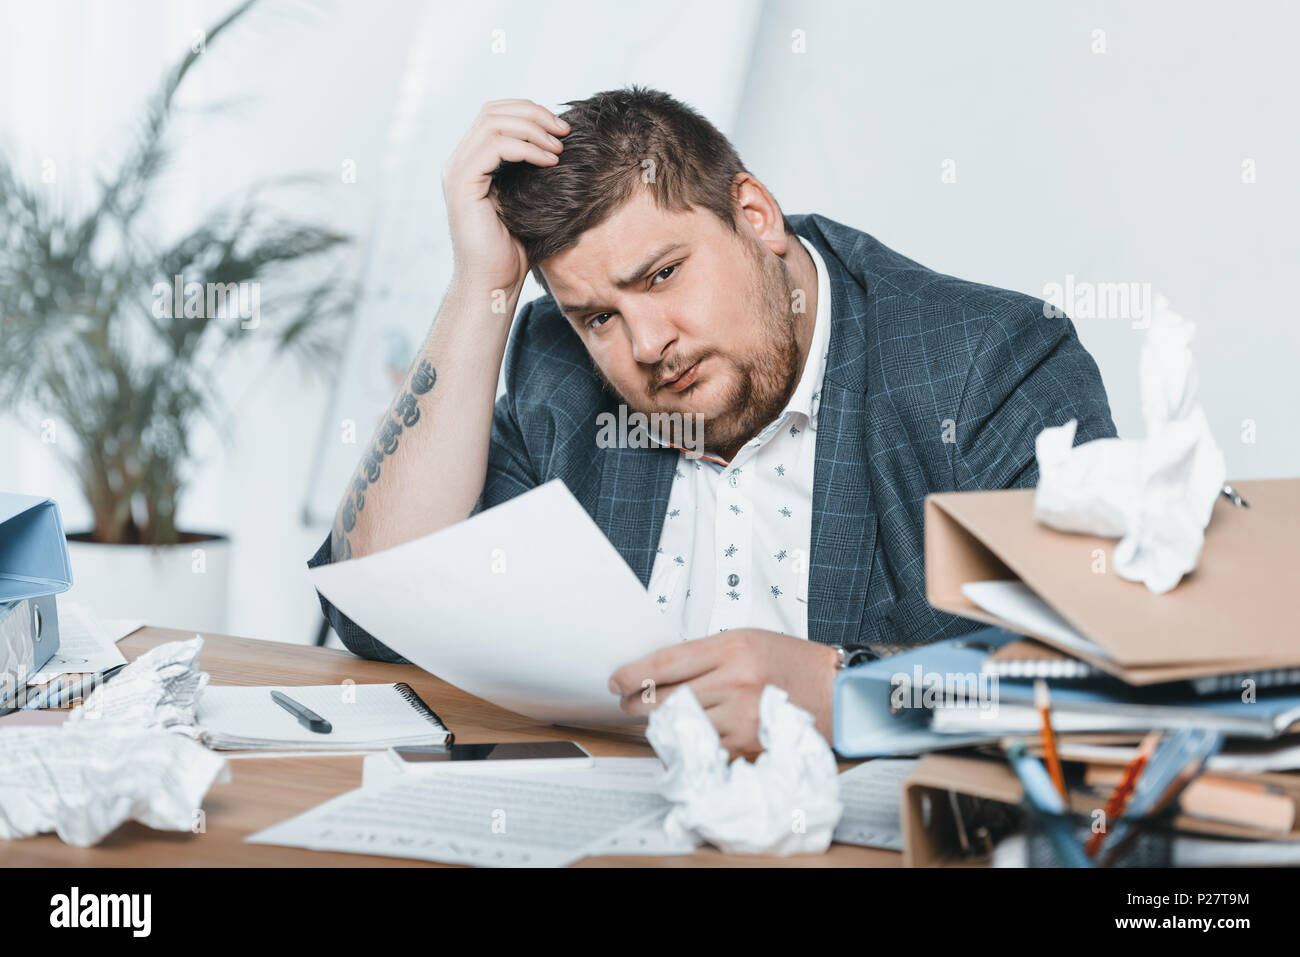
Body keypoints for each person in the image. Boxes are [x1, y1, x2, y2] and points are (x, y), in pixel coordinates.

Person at [309, 87, 1116, 757]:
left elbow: (1109, 670)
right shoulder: (560, 369)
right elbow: (378, 599)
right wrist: (482, 286)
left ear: (755, 214)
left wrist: (841, 691)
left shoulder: (986, 361)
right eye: (598, 317)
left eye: (663, 274)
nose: (648, 344)